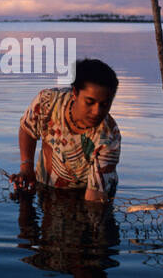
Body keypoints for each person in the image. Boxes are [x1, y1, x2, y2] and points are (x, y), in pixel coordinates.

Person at [12, 58, 120, 203]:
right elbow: (27, 129)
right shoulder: (48, 101)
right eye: (90, 102)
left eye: (105, 104)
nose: (96, 111)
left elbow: (94, 198)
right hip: (46, 185)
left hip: (87, 193)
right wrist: (26, 167)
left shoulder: (108, 137)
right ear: (75, 93)